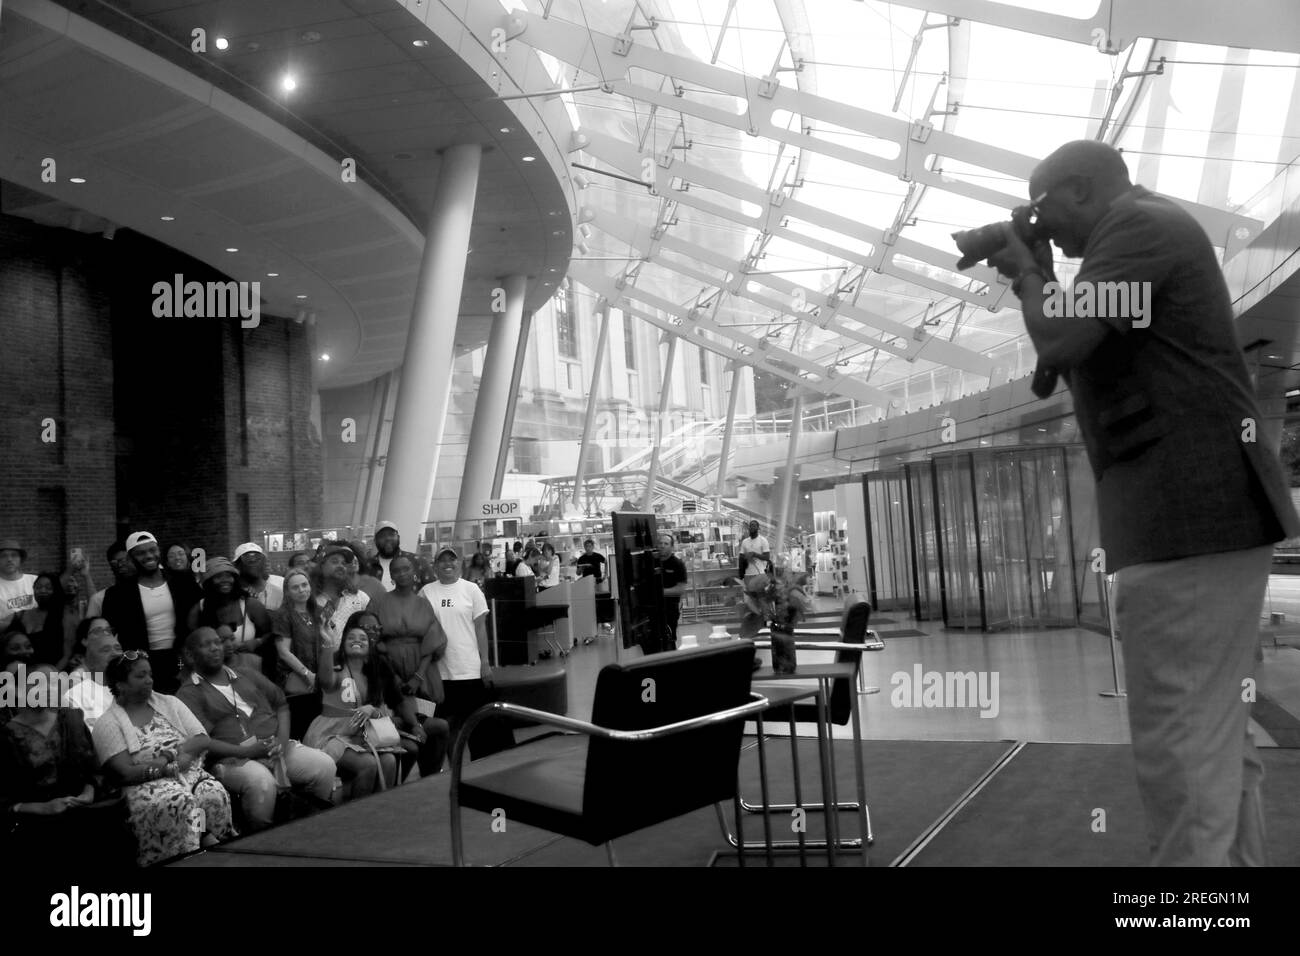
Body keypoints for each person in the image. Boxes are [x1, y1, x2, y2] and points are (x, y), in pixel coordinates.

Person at [984, 139, 1300, 867]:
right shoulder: (1136, 236)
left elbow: (1061, 338)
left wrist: (1032, 273)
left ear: (1086, 189)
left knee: (1180, 741)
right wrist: (1046, 272)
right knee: (1212, 739)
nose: (1046, 224)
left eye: (1048, 207)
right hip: (1204, 519)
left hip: (1189, 520)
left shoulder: (1140, 226)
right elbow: (1069, 352)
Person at [177, 628, 336, 832]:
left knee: (325, 765)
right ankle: (261, 841)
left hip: (276, 747)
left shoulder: (245, 674)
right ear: (191, 654)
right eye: (206, 645)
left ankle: (315, 826)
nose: (215, 647)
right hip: (233, 760)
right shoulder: (188, 693)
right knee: (262, 783)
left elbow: (282, 704)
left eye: (217, 642)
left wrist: (282, 740)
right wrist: (248, 752)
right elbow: (203, 742)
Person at [92, 651, 237, 865]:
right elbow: (123, 773)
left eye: (150, 674)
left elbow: (201, 739)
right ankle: (185, 857)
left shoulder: (169, 703)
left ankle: (216, 851)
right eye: (140, 676)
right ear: (120, 684)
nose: (149, 680)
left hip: (189, 773)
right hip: (146, 786)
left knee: (212, 793)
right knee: (180, 801)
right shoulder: (107, 723)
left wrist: (172, 755)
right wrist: (167, 768)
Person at [1, 663, 131, 863]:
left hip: (86, 813)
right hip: (38, 826)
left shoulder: (71, 719)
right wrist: (41, 808)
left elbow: (94, 768)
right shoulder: (6, 736)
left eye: (54, 683)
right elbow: (5, 800)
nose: (48, 689)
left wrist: (89, 792)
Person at [419, 547, 511, 760]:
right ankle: (451, 766)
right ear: (435, 566)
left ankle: (480, 765)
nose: (447, 564)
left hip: (469, 669)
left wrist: (485, 662)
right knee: (445, 725)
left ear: (460, 563)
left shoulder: (471, 590)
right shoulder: (426, 592)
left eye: (452, 560)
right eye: (442, 561)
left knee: (475, 722)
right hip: (438, 672)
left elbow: (480, 629)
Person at [303, 614, 404, 797]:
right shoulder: (337, 670)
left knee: (389, 760)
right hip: (332, 735)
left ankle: (382, 810)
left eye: (362, 638)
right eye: (351, 638)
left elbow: (383, 712)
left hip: (361, 735)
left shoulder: (372, 676)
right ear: (343, 645)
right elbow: (325, 681)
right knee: (369, 764)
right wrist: (328, 644)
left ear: (369, 647)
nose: (357, 641)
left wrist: (371, 709)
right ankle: (357, 815)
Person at [102, 531, 201, 694]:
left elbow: (202, 615)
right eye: (140, 553)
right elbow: (109, 632)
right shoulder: (117, 594)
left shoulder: (183, 582)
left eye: (152, 550)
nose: (148, 556)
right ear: (130, 558)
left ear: (159, 551)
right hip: (141, 664)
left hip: (181, 659)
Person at [187, 557, 274, 677]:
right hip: (213, 674)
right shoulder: (199, 608)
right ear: (209, 582)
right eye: (218, 577)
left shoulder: (250, 604)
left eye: (229, 575)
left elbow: (271, 633)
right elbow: (190, 644)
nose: (225, 580)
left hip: (248, 672)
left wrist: (257, 642)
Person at [272, 568, 325, 740]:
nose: (302, 590)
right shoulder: (283, 615)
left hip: (317, 680)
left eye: (305, 585)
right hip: (295, 680)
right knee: (300, 729)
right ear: (287, 592)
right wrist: (307, 674)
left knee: (317, 729)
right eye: (295, 587)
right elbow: (283, 652)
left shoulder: (316, 612)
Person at [62, 618, 122, 731]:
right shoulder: (77, 680)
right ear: (84, 640)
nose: (105, 634)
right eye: (98, 631)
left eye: (108, 631)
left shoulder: (128, 678)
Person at [314, 545, 370, 651]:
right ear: (321, 566)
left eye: (344, 563)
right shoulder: (311, 600)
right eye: (335, 562)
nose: (341, 566)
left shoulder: (360, 598)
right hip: (322, 662)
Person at [17, 572, 79, 669]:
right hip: (24, 673)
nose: (42, 590)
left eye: (48, 588)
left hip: (54, 672)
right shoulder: (23, 614)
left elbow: (67, 655)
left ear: (56, 591)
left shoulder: (65, 616)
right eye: (38, 587)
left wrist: (51, 676)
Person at [655, 531, 688, 654]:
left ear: (672, 547)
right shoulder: (652, 562)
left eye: (666, 543)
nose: (662, 546)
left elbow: (680, 589)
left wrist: (660, 592)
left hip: (670, 609)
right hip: (652, 609)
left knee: (669, 640)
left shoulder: (677, 564)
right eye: (660, 543)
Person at [87, 540, 134, 619]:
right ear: (111, 567)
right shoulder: (99, 599)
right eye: (115, 563)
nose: (121, 565)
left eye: (125, 560)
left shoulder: (149, 591)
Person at [0, 539, 38, 632]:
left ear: (20, 559)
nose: (9, 559)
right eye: (4, 556)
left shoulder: (35, 581)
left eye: (14, 555)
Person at [233, 542, 284, 612]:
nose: (254, 565)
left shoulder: (277, 593)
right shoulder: (233, 593)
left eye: (257, 560)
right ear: (237, 566)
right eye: (249, 561)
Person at [370, 520, 413, 592]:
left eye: (391, 534)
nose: (388, 538)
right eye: (382, 536)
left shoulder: (416, 561)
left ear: (398, 537)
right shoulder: (366, 565)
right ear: (375, 541)